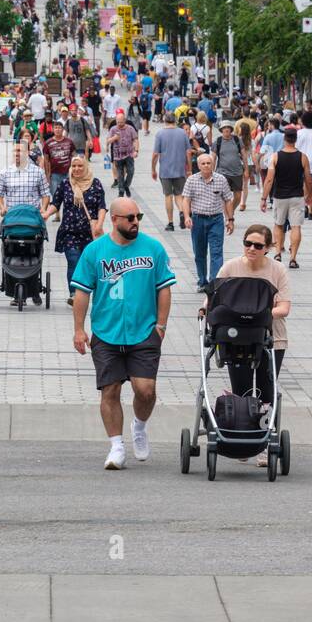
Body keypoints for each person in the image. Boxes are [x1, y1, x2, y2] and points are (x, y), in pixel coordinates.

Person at [71, 197, 176, 470]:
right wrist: (79, 329)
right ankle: (116, 446)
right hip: (106, 332)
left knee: (146, 390)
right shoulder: (95, 251)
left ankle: (139, 427)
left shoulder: (153, 249)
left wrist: (161, 326)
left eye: (138, 217)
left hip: (144, 332)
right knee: (110, 389)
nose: (135, 222)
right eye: (129, 218)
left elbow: (164, 289)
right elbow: (82, 292)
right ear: (114, 220)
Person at [213, 223, 293, 469]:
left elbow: (284, 307)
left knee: (267, 391)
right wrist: (208, 309)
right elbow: (214, 296)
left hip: (269, 337)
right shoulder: (231, 267)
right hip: (236, 337)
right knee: (243, 388)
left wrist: (261, 314)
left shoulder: (277, 270)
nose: (252, 249)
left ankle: (265, 442)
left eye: (258, 245)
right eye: (248, 243)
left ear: (268, 248)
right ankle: (242, 438)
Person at [43, 154, 107, 305]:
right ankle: (74, 294)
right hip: (69, 231)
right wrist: (46, 213)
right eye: (74, 166)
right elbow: (56, 203)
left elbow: (102, 206)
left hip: (90, 233)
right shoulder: (66, 184)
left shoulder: (95, 184)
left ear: (85, 167)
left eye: (80, 166)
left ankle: (89, 290)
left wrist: (99, 225)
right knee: (73, 260)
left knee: (90, 264)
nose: (77, 169)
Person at [180, 152, 236, 293]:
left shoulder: (221, 179)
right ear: (198, 165)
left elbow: (228, 199)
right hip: (198, 220)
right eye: (203, 163)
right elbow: (186, 199)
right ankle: (202, 281)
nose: (206, 165)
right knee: (199, 253)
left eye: (208, 163)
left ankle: (214, 283)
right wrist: (187, 216)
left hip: (216, 220)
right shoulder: (191, 180)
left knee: (216, 252)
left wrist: (230, 219)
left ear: (213, 164)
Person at [261, 126, 312, 268]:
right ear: (296, 140)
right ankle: (293, 258)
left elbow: (269, 179)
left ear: (285, 139)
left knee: (278, 225)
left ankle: (278, 253)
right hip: (297, 196)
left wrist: (264, 198)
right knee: (296, 227)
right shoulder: (303, 157)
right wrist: (310, 196)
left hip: (280, 196)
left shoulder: (276, 157)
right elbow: (308, 180)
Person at [151, 112, 191, 231]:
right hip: (180, 169)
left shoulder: (160, 134)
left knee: (168, 195)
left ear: (164, 120)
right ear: (175, 120)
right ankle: (182, 211)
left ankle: (170, 223)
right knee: (179, 195)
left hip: (165, 170)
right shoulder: (182, 133)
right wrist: (188, 168)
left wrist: (153, 169)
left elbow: (155, 154)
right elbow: (188, 151)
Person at [0, 139, 51, 216]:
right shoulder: (4, 172)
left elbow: (45, 194)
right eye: (14, 151)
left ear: (27, 153)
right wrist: (2, 207)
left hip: (32, 217)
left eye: (19, 151)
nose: (16, 153)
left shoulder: (38, 172)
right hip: (12, 216)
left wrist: (44, 208)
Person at [213, 119, 248, 208]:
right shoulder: (218, 141)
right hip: (223, 172)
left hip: (237, 172)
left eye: (228, 127)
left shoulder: (237, 140)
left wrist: (246, 170)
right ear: (221, 130)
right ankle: (228, 217)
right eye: (224, 127)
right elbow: (213, 158)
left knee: (238, 197)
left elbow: (244, 155)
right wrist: (211, 173)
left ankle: (230, 211)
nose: (226, 129)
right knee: (224, 197)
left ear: (231, 129)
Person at [107, 109, 139, 197]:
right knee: (120, 174)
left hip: (129, 154)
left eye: (121, 122)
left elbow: (135, 139)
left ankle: (126, 185)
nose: (120, 124)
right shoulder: (113, 129)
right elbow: (108, 141)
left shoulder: (130, 128)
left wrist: (136, 151)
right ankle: (121, 191)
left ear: (125, 120)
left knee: (131, 171)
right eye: (118, 122)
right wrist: (114, 138)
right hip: (118, 155)